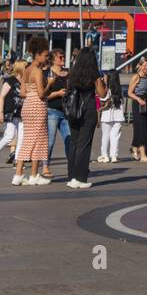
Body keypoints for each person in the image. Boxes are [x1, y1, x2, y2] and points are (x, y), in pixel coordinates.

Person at [65, 47, 107, 189]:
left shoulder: (73, 73)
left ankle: (71, 176)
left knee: (74, 143)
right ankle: (80, 178)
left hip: (73, 110)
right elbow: (102, 94)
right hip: (88, 109)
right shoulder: (94, 74)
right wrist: (103, 82)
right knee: (84, 144)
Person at [12, 36, 51, 187]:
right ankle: (34, 175)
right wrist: (50, 84)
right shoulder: (38, 71)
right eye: (46, 55)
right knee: (39, 140)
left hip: (27, 106)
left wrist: (31, 91)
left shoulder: (26, 69)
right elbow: (42, 94)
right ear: (38, 54)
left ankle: (19, 174)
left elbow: (22, 92)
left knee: (28, 141)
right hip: (38, 106)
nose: (47, 58)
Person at [0, 60, 24, 167]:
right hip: (10, 112)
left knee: (21, 138)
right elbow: (2, 97)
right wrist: (0, 112)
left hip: (22, 113)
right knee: (10, 136)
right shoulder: (10, 80)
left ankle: (17, 161)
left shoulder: (26, 81)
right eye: (26, 67)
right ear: (20, 68)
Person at [44, 49, 71, 177]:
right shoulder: (48, 74)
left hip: (66, 112)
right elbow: (43, 95)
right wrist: (58, 93)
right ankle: (45, 167)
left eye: (63, 56)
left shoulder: (68, 74)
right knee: (50, 141)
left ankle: (73, 167)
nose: (63, 59)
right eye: (60, 57)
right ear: (53, 59)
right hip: (52, 111)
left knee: (70, 140)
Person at [128, 56, 147, 162]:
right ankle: (143, 155)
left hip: (146, 102)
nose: (146, 67)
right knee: (141, 128)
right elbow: (129, 92)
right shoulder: (136, 77)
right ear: (140, 66)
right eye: (144, 65)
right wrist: (138, 99)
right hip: (137, 102)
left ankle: (134, 147)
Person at [98, 69, 125, 163]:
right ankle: (114, 156)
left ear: (109, 78)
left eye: (105, 76)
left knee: (105, 136)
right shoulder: (119, 90)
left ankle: (104, 155)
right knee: (115, 136)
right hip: (118, 116)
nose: (103, 78)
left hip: (106, 116)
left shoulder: (106, 89)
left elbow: (102, 100)